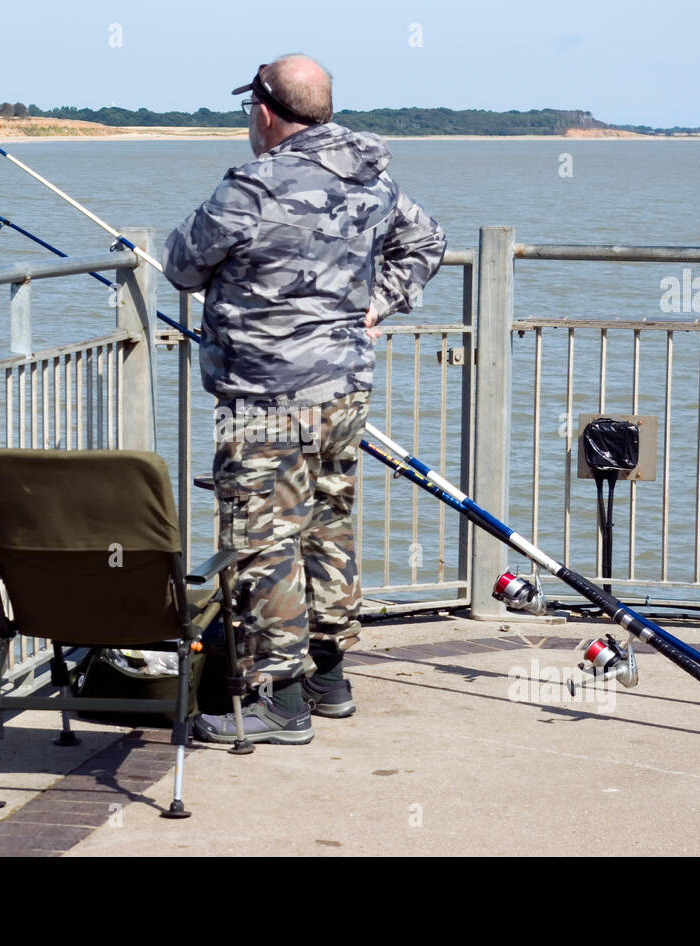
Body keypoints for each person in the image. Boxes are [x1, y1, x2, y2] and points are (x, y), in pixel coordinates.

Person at [163, 54, 445, 744]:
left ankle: (279, 698)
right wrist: (373, 307)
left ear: (264, 110)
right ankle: (329, 675)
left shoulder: (252, 187)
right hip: (343, 390)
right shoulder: (371, 177)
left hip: (265, 395)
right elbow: (427, 242)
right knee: (327, 524)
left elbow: (182, 264)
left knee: (263, 540)